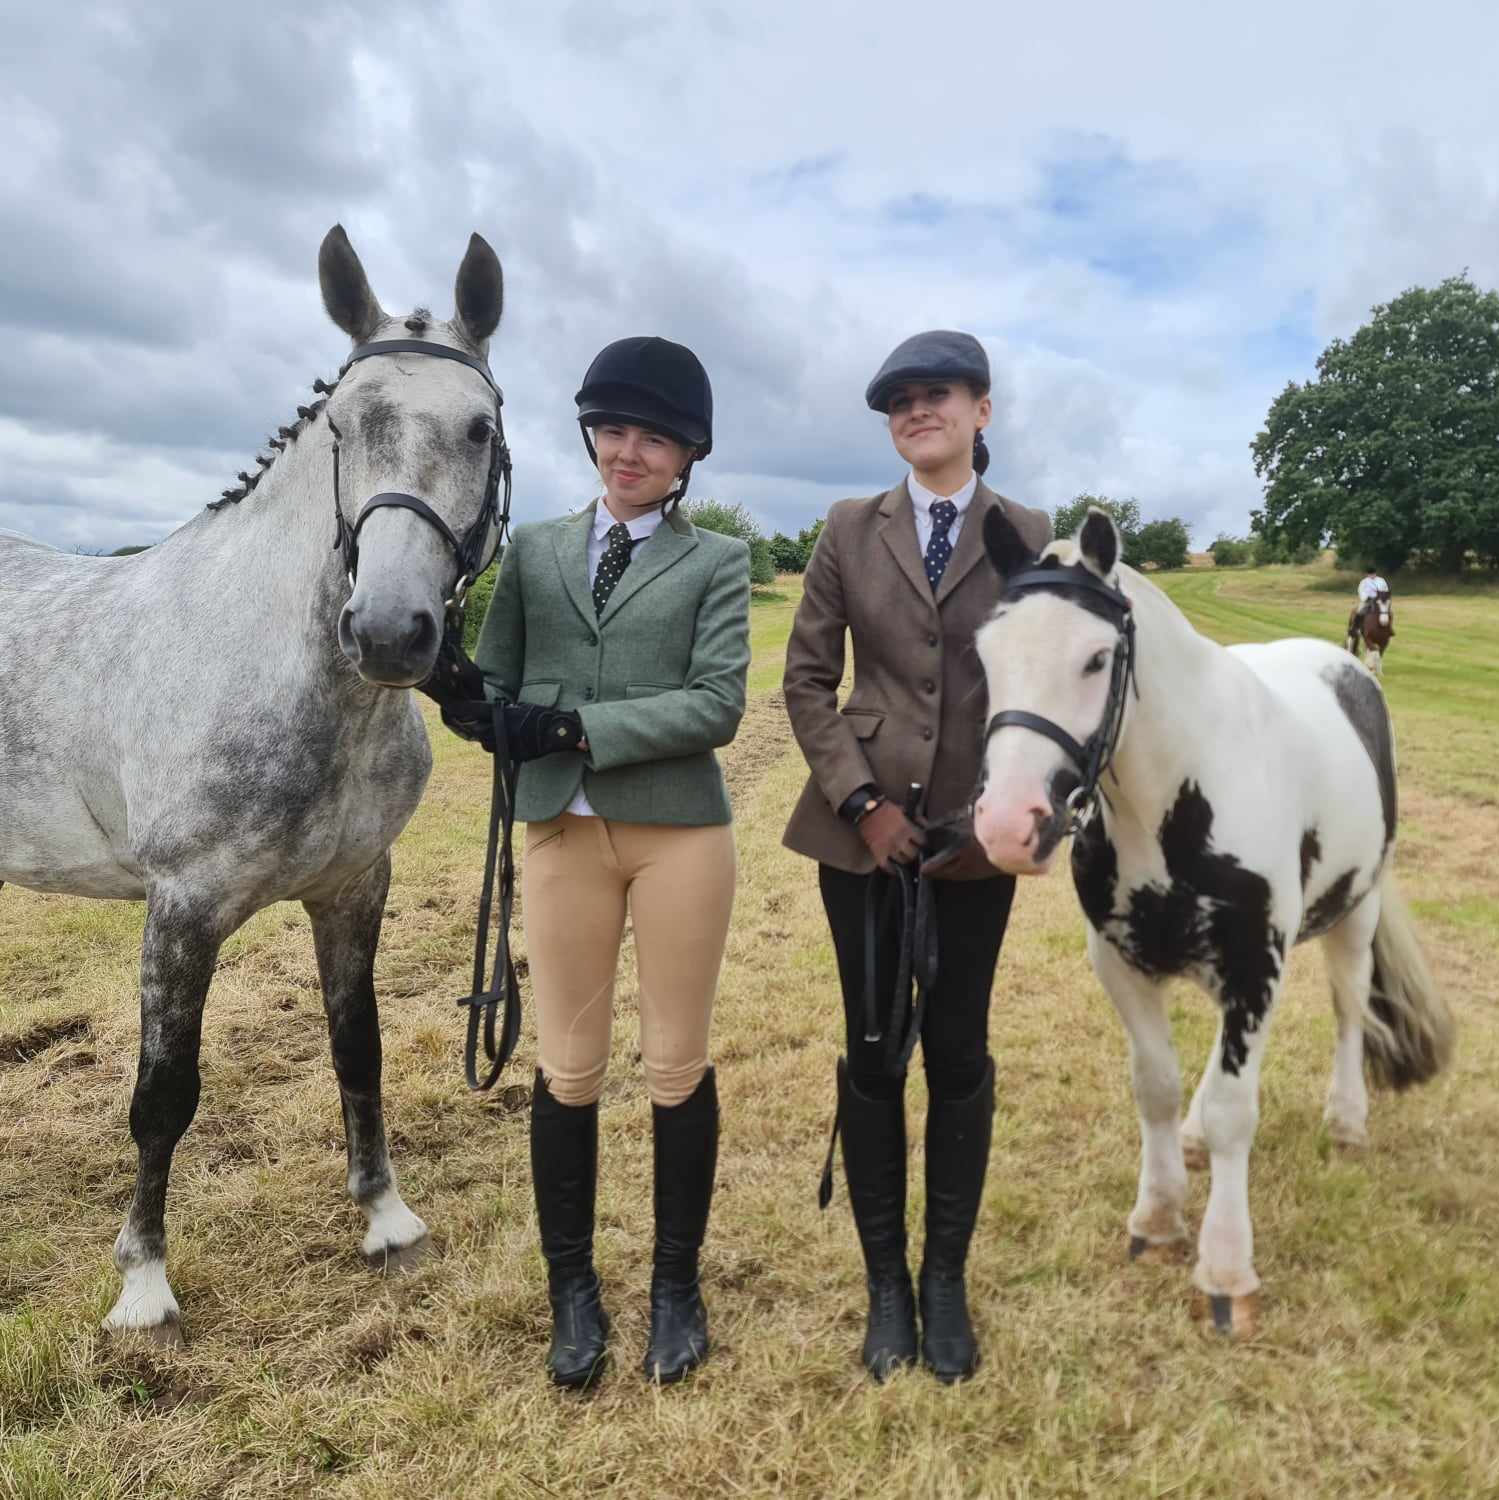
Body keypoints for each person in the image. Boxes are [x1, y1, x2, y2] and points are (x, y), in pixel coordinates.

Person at [439, 336, 751, 1389]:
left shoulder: (716, 562)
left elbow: (715, 704)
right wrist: (470, 701)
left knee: (675, 1062)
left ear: (685, 455)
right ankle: (571, 1292)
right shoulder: (529, 551)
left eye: (652, 438)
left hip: (678, 838)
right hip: (561, 839)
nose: (627, 452)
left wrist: (569, 728)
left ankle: (674, 1286)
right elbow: (495, 684)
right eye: (614, 431)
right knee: (567, 1068)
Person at [782, 330, 1051, 1383]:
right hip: (860, 848)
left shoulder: (1028, 536)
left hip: (969, 848)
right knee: (870, 1049)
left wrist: (993, 812)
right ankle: (884, 1285)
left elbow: (1040, 690)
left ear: (981, 409)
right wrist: (858, 802)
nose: (913, 411)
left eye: (933, 394)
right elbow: (805, 682)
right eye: (896, 400)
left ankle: (944, 1280)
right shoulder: (850, 530)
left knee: (958, 1050)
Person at [1350, 564, 1390, 643]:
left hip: (1379, 600)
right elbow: (1361, 591)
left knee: (1388, 612)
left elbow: (1385, 590)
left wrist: (1383, 597)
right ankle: (1355, 628)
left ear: (1375, 573)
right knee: (1359, 611)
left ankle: (1389, 629)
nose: (1372, 575)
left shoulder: (1381, 580)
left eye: (1373, 574)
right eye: (1370, 574)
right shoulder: (1364, 582)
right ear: (1367, 574)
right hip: (1367, 600)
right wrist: (1365, 597)